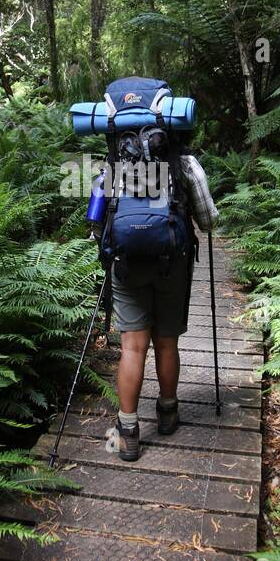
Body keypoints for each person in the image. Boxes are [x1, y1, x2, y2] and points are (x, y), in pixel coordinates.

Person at [92, 134, 219, 462]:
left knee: (132, 347)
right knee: (166, 342)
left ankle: (129, 431)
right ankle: (166, 412)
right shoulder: (185, 164)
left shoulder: (111, 166)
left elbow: (97, 228)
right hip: (171, 266)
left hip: (127, 267)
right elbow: (208, 220)